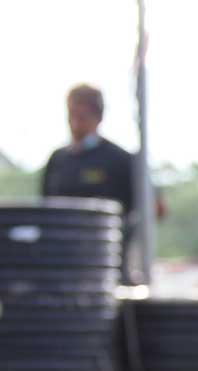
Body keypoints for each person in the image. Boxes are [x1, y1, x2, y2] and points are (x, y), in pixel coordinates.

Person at [42, 84, 141, 281]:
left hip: (106, 265)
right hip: (61, 263)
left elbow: (149, 210)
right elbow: (45, 209)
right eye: (71, 114)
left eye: (81, 115)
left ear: (98, 116)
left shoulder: (120, 160)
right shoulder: (57, 160)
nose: (74, 122)